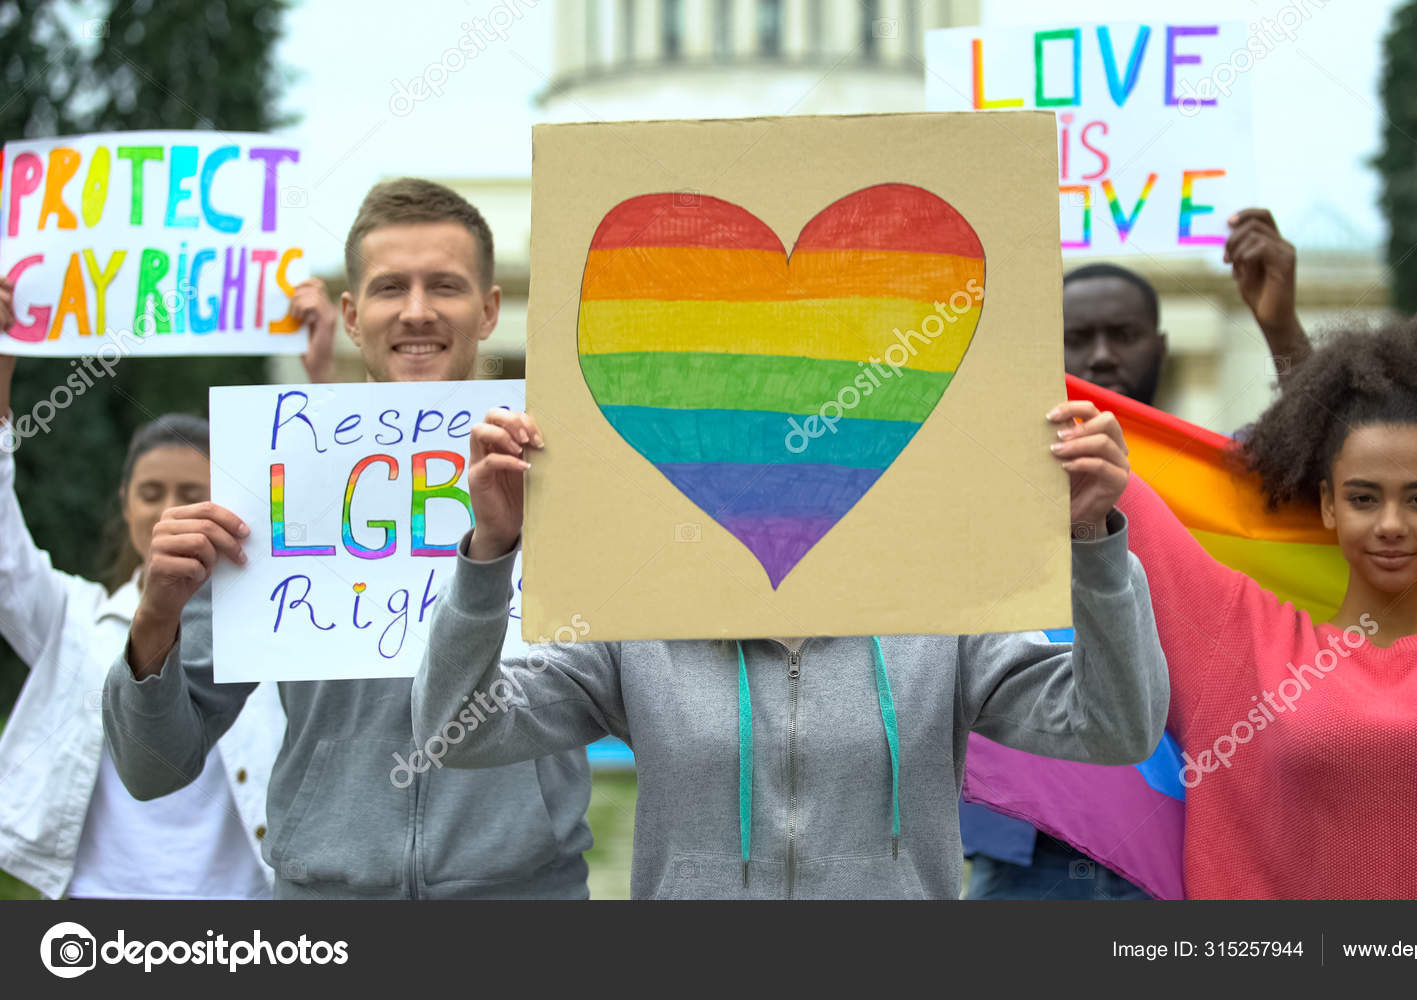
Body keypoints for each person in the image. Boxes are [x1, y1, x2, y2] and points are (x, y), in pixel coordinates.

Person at [404, 385, 1170, 899]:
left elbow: (1116, 726)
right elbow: (451, 729)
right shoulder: (639, 624)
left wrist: (1092, 542)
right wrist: (490, 554)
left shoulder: (940, 613)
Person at [100, 179, 595, 899]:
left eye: (445, 286)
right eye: (392, 287)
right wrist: (155, 620)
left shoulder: (568, 480)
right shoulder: (275, 481)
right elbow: (152, 768)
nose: (418, 310)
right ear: (354, 317)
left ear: (488, 310)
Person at [1111, 312, 1417, 897]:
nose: (1391, 524)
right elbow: (1115, 494)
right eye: (1364, 498)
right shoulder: (1238, 637)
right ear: (1329, 506)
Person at [963, 208, 1311, 899]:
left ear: (1160, 345)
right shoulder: (982, 472)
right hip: (1028, 848)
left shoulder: (1216, 485)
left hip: (1176, 836)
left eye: (1121, 335)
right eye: (1075, 338)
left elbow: (1326, 462)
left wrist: (1280, 329)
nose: (1099, 357)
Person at [0, 288, 284, 898]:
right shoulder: (70, 616)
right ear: (124, 500)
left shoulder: (278, 622)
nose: (172, 512)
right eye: (152, 492)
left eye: (192, 492)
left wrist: (317, 378)